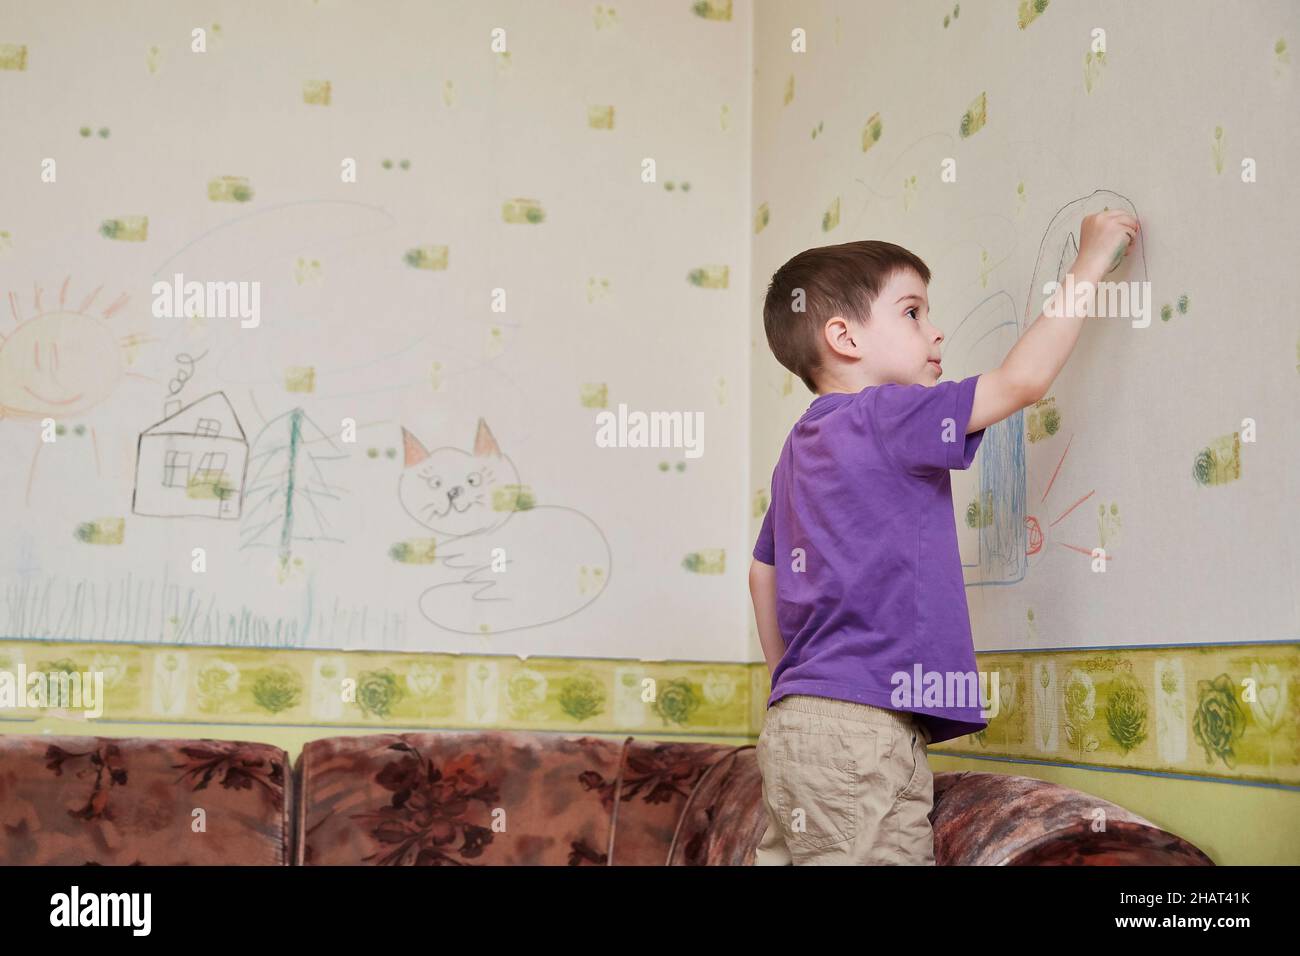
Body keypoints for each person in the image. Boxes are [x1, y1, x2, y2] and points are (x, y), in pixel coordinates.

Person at [749, 212, 1139, 865]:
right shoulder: (887, 415)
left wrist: (789, 683)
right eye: (911, 312)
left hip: (794, 727)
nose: (935, 331)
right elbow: (1021, 383)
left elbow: (762, 574)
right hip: (860, 729)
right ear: (842, 337)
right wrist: (1091, 261)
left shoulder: (800, 446)